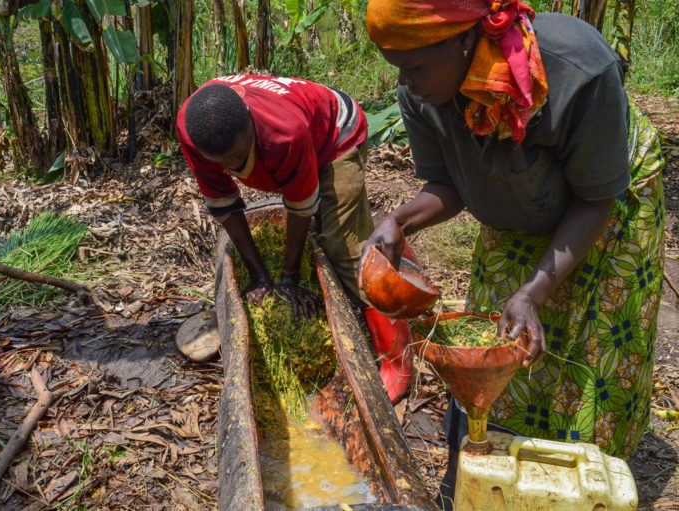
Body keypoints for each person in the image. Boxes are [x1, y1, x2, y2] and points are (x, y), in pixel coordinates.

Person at [362, 0, 664, 508]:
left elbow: (595, 198)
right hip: (518, 203)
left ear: (464, 39)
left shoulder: (577, 68)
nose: (406, 82)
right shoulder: (422, 93)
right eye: (398, 69)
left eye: (414, 67)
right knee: (499, 344)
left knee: (594, 347)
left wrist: (534, 290)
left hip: (605, 203)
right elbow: (450, 183)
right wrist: (399, 220)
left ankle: (581, 480)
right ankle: (496, 470)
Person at [177, 74, 415, 403]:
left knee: (342, 251)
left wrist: (289, 277)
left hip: (334, 132)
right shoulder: (195, 128)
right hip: (294, 131)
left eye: (238, 155)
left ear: (250, 119)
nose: (234, 167)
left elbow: (300, 208)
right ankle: (385, 244)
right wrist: (260, 276)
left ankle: (398, 359)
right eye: (224, 162)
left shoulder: (284, 133)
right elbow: (224, 205)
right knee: (327, 223)